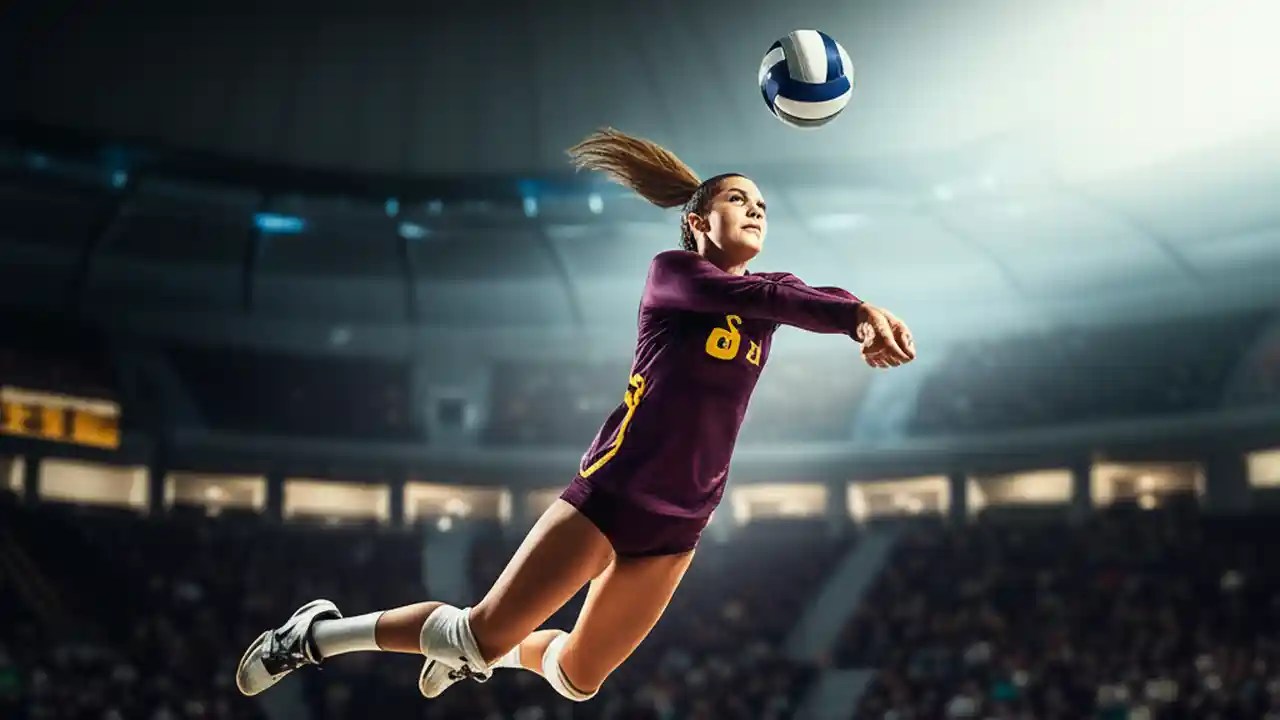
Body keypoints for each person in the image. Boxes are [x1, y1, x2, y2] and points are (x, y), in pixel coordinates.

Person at [235, 127, 915, 704]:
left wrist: (860, 316)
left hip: (683, 520)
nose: (756, 209)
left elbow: (798, 297)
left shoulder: (772, 293)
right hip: (613, 497)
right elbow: (779, 299)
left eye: (763, 203)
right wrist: (854, 314)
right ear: (698, 222)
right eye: (738, 199)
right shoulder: (673, 274)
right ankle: (314, 636)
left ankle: (481, 655)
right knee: (474, 632)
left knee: (577, 677)